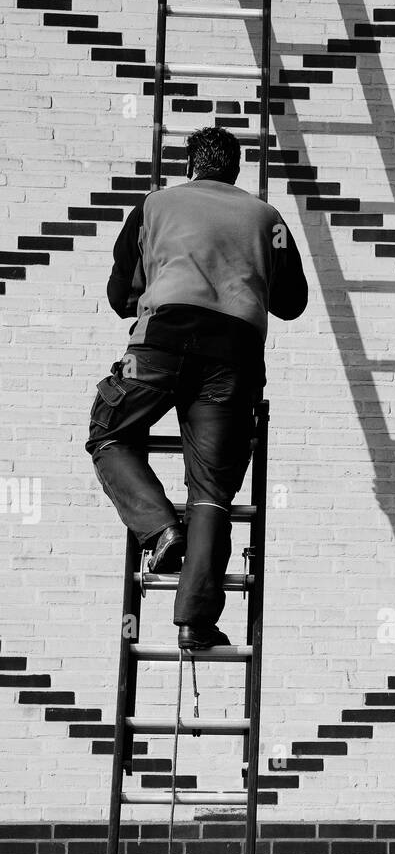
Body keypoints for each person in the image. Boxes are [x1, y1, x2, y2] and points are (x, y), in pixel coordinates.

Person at [86, 125, 308, 650]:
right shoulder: (267, 218)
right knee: (211, 493)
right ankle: (195, 622)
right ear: (235, 170)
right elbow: (292, 302)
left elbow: (122, 295)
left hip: (162, 342)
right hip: (234, 356)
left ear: (191, 167)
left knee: (109, 434)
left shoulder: (154, 205)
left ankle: (161, 529)